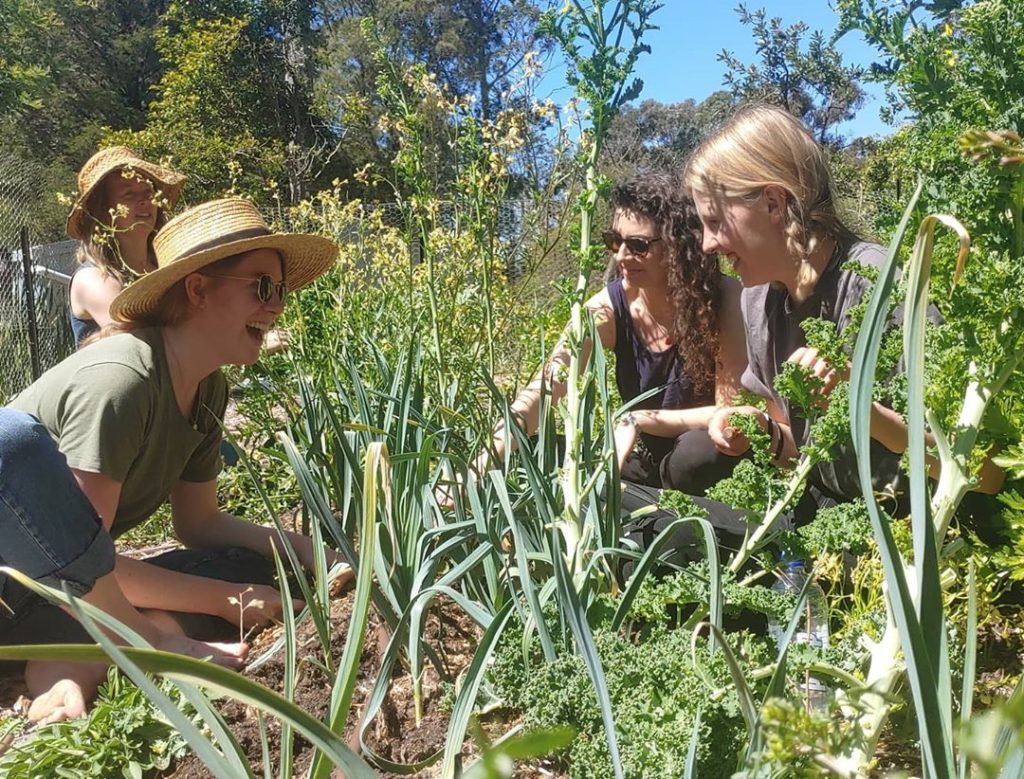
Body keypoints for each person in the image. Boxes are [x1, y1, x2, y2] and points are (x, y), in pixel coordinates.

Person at [3, 197, 346, 723]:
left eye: (279, 291)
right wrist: (223, 601)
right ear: (198, 289)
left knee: (258, 570)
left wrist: (310, 551)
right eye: (261, 286)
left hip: (73, 583)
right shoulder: (123, 381)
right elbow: (79, 565)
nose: (276, 305)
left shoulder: (208, 388)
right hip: (19, 587)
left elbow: (200, 523)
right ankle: (76, 659)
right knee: (220, 594)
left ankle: (98, 646)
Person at [683, 103, 1004, 511]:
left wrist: (859, 402)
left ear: (773, 204)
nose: (708, 245)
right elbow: (799, 451)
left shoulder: (881, 286)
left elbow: (984, 472)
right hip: (823, 510)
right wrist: (765, 431)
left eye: (715, 222)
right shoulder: (758, 299)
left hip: (906, 531)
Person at [473, 173, 747, 492]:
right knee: (529, 453)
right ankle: (634, 512)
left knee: (695, 453)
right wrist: (480, 466)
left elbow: (729, 412)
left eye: (638, 245)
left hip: (700, 455)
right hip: (637, 454)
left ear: (677, 245)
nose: (620, 256)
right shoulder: (606, 309)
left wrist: (639, 419)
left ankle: (670, 520)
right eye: (614, 241)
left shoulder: (724, 299)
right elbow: (544, 392)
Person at [66, 146, 185, 346]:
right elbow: (143, 343)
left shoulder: (166, 264)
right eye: (129, 195)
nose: (144, 201)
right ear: (102, 211)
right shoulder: (92, 278)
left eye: (148, 192)